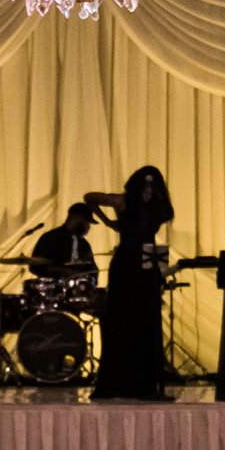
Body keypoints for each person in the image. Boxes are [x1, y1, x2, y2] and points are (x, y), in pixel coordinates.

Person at [91, 164, 174, 400]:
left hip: (149, 253)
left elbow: (164, 214)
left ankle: (147, 382)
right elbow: (90, 198)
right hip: (130, 253)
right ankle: (122, 380)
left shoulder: (158, 205)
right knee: (123, 316)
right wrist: (108, 222)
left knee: (148, 316)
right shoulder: (124, 200)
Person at [30, 201, 100, 275]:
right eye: (86, 222)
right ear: (74, 218)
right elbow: (35, 267)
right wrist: (61, 271)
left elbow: (92, 270)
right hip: (54, 285)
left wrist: (91, 280)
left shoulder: (84, 245)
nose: (89, 227)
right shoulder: (50, 238)